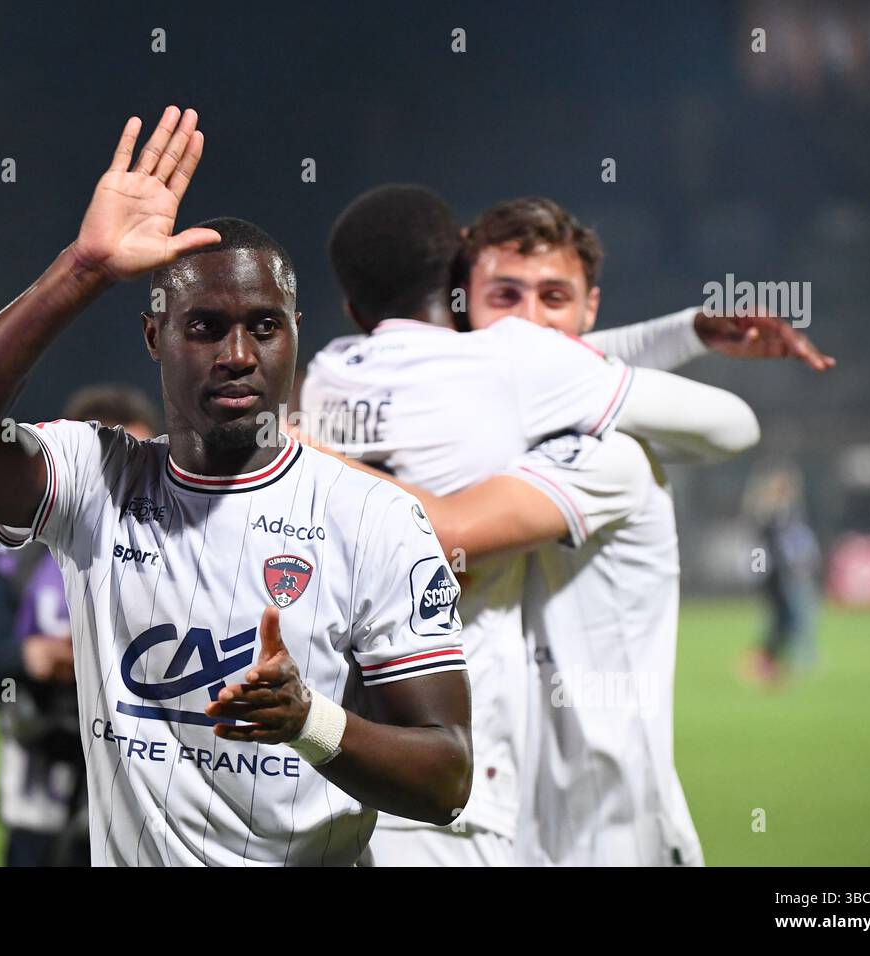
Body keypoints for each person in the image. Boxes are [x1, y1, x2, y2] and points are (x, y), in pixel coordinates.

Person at [0, 106, 473, 867]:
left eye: (264, 326)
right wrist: (83, 271)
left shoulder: (375, 519)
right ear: (153, 336)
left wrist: (309, 720)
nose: (237, 353)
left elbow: (446, 779)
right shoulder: (96, 480)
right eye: (204, 326)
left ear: (296, 332)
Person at [300, 184, 763, 866]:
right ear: (460, 290)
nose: (529, 322)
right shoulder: (513, 376)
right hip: (471, 789)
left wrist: (307, 457)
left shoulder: (326, 376)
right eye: (506, 296)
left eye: (553, 299)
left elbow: (526, 368)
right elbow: (532, 367)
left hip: (607, 822)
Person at [0, 385, 161, 866]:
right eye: (117, 472)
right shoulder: (24, 564)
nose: (132, 490)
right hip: (38, 836)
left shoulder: (177, 567)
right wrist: (30, 658)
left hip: (139, 836)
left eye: (142, 470)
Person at [742, 461, 822, 684]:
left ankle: (770, 663)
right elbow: (762, 547)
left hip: (780, 574)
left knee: (786, 619)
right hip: (773, 576)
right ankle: (762, 663)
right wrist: (759, 575)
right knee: (784, 618)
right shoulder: (768, 516)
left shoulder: (785, 515)